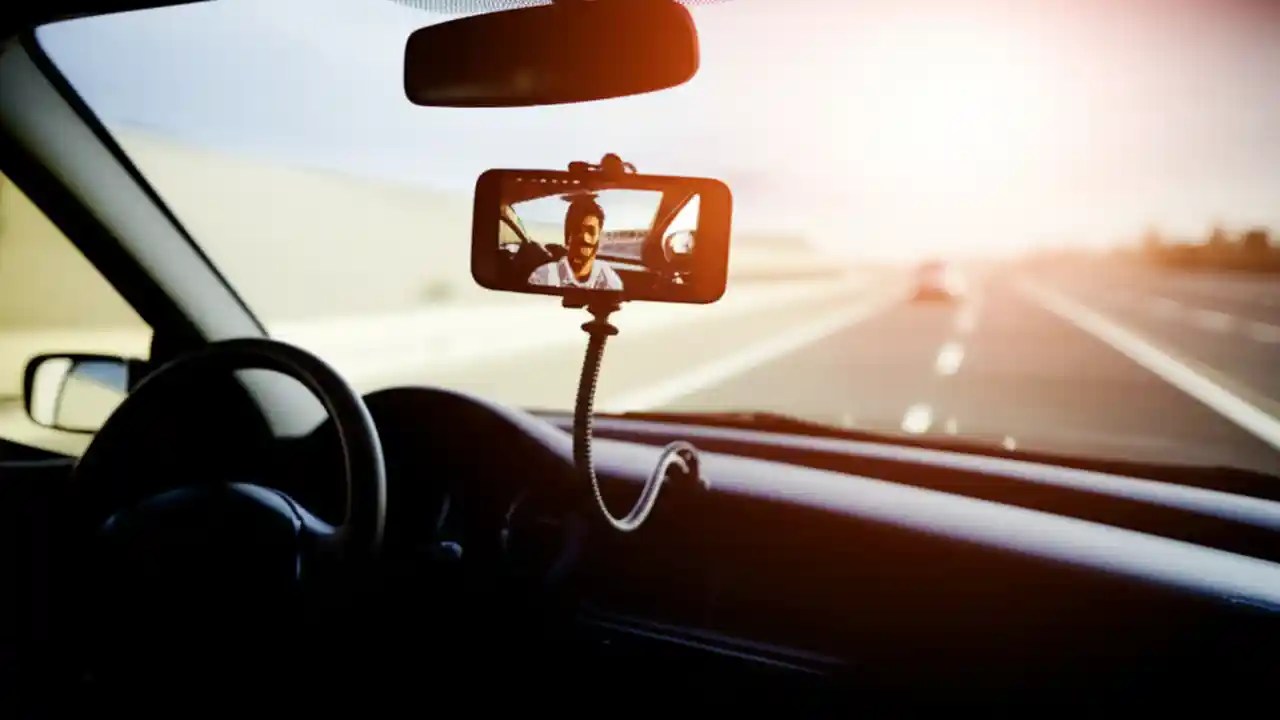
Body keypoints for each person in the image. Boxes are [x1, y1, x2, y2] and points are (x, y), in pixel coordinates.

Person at [526, 196, 624, 291]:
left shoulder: (608, 279)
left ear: (599, 236)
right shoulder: (543, 277)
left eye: (591, 231)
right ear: (568, 235)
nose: (585, 238)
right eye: (578, 230)